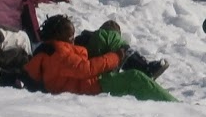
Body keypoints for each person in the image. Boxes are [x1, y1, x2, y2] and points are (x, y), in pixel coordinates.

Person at [23, 15, 175, 101]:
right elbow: (84, 69)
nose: (73, 39)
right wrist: (115, 57)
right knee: (134, 78)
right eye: (70, 37)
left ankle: (140, 65)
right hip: (90, 86)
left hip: (85, 82)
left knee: (108, 30)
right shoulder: (57, 53)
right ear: (58, 37)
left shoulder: (55, 49)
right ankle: (174, 106)